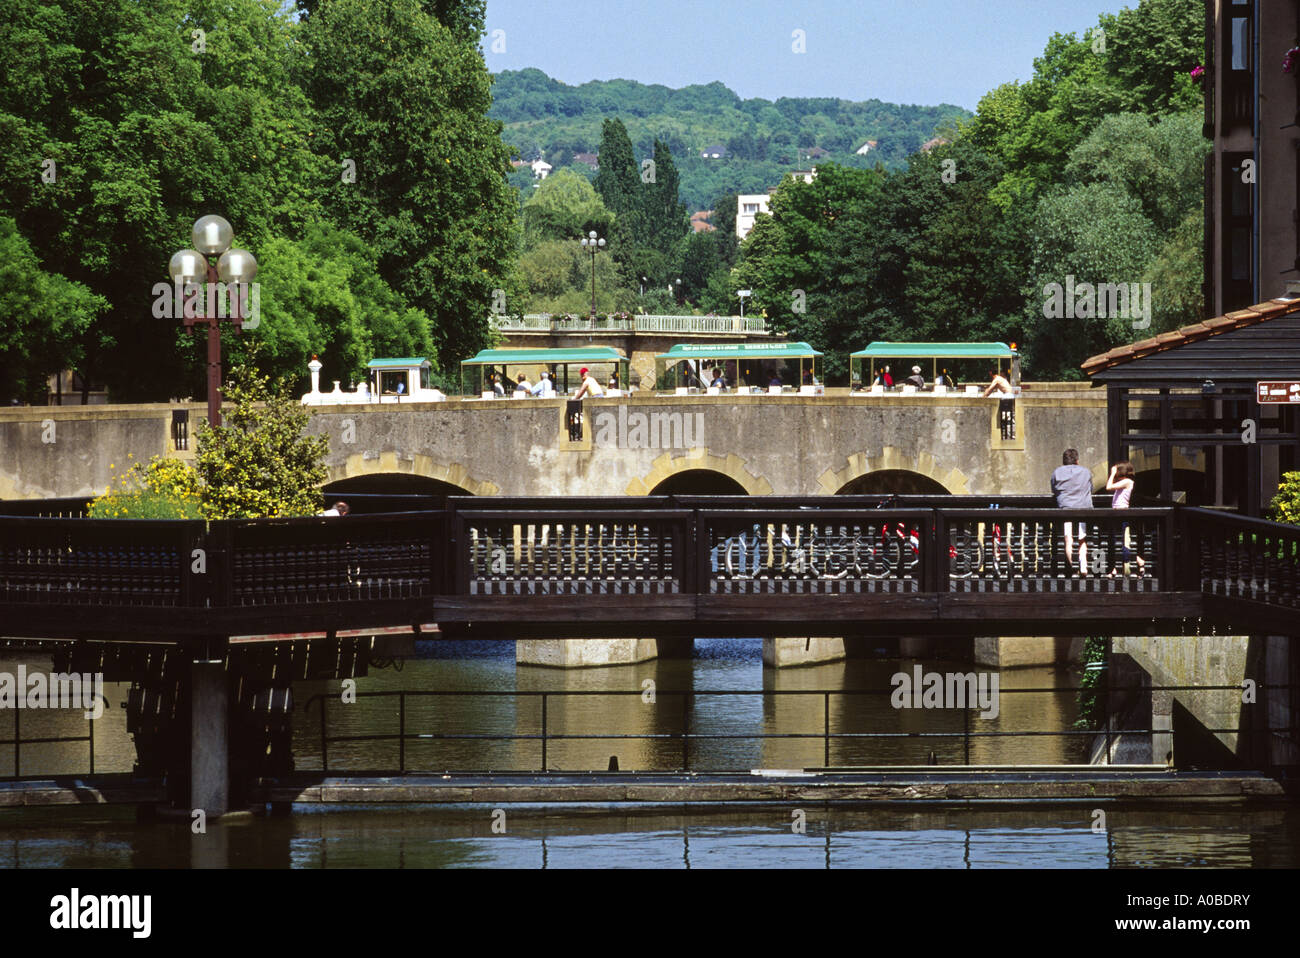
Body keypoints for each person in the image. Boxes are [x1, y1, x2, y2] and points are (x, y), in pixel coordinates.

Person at [1051, 448, 1093, 575]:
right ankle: (1084, 566)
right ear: (1077, 460)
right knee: (1082, 540)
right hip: (1083, 508)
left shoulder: (1057, 472)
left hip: (1066, 509)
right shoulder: (1086, 472)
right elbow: (1091, 488)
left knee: (1069, 540)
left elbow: (1054, 489)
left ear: (1064, 461)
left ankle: (1075, 568)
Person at [1106, 461, 1146, 578]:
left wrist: (1112, 473)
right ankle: (1115, 568)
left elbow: (1108, 487)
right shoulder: (1124, 482)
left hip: (1122, 513)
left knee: (1123, 542)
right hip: (1117, 513)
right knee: (1115, 541)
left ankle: (1138, 561)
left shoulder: (1128, 481)